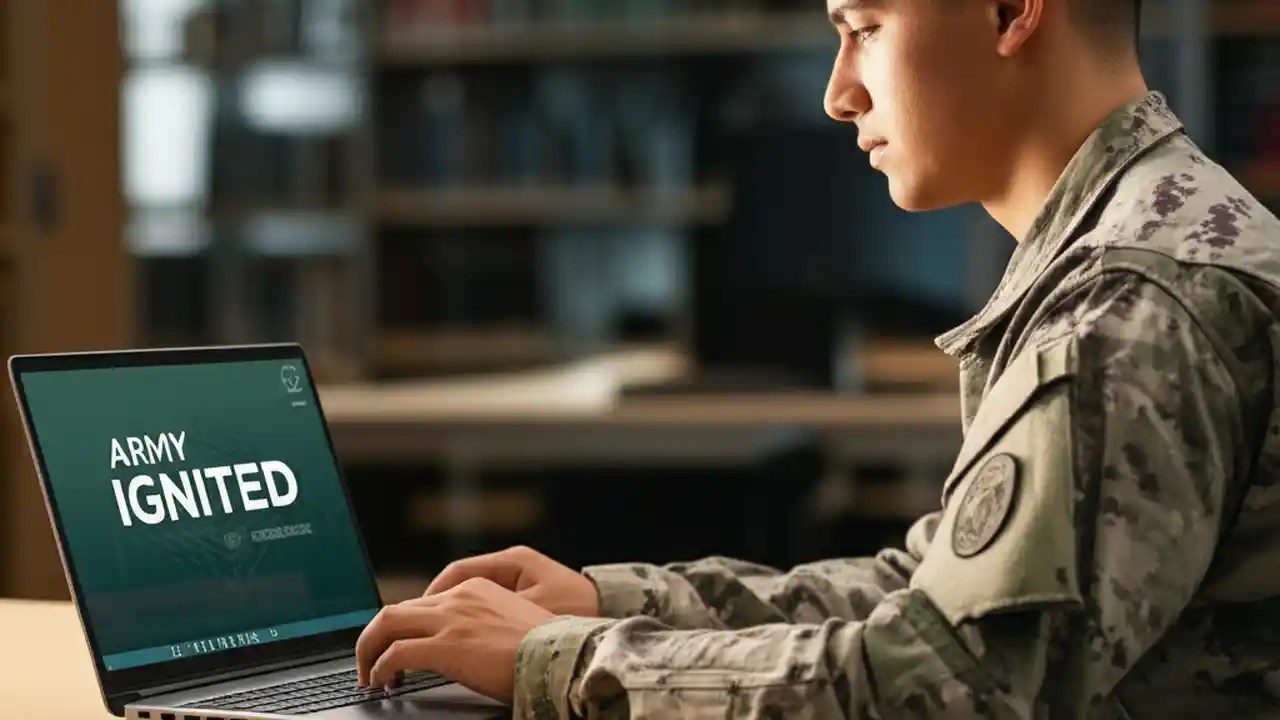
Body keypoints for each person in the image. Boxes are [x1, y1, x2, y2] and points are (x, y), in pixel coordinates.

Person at [354, 0, 1280, 716]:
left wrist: (561, 662)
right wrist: (608, 604)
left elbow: (949, 684)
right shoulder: (1136, 251)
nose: (838, 93)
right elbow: (932, 595)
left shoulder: (1131, 303)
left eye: (865, 28)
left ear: (1009, 12)